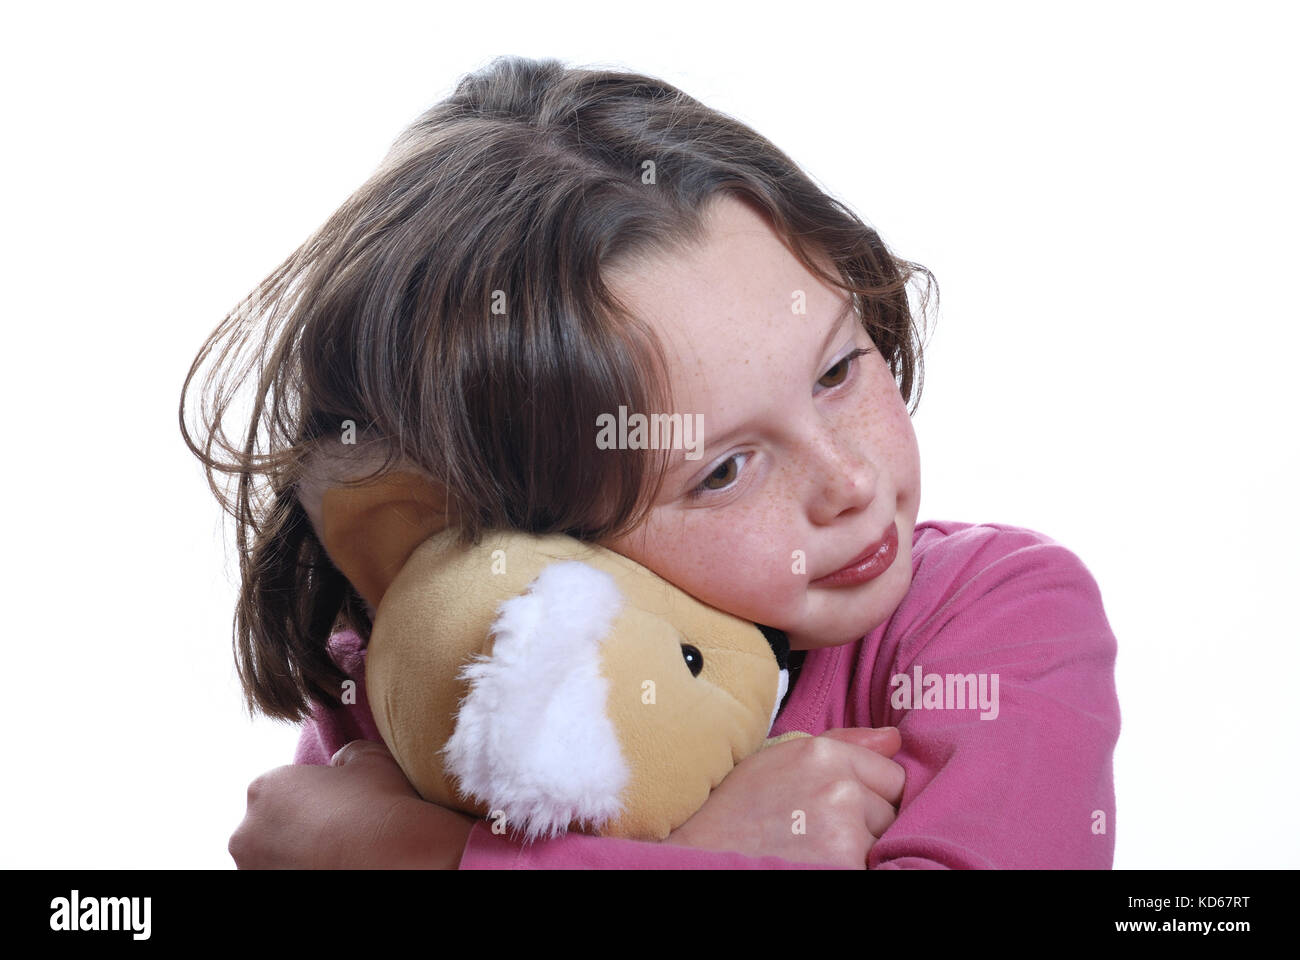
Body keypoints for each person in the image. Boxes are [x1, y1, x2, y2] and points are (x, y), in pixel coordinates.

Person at [182, 55, 1120, 869]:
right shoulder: (464, 681)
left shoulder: (998, 614)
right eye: (723, 471)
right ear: (529, 536)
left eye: (837, 370)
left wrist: (422, 856)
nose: (850, 484)